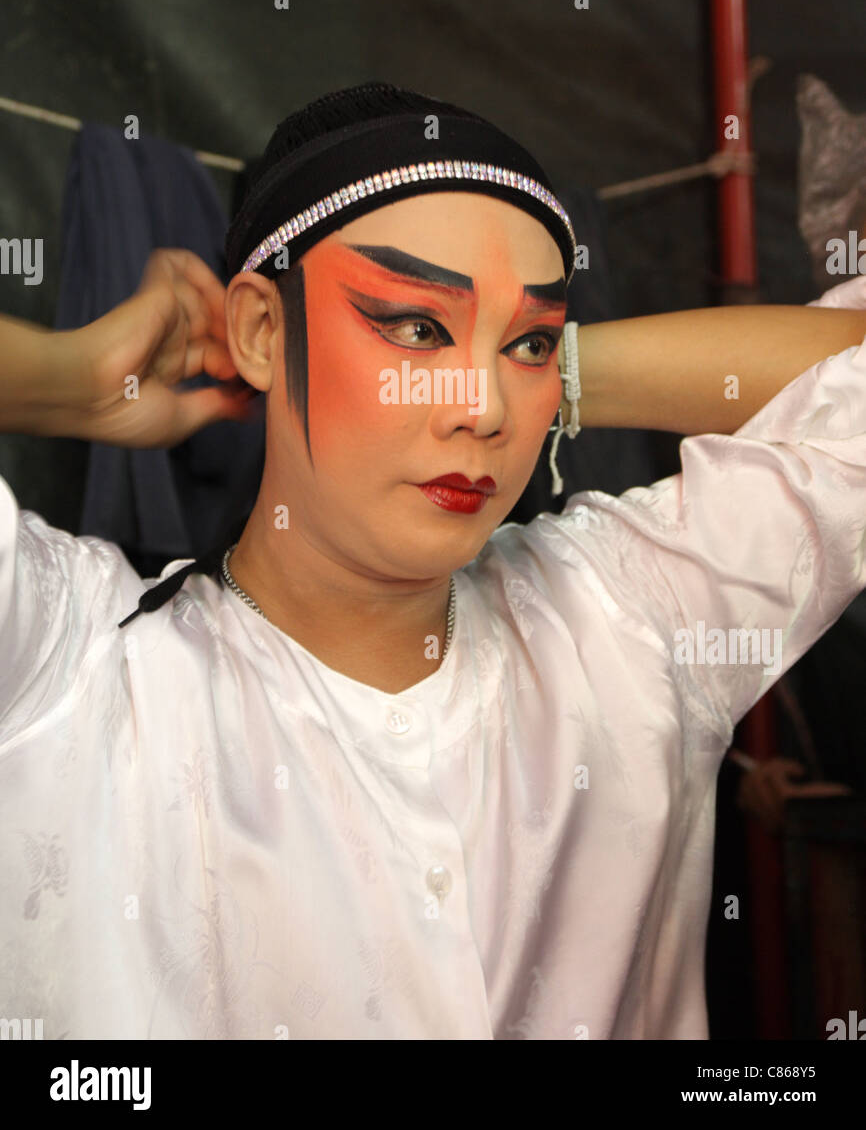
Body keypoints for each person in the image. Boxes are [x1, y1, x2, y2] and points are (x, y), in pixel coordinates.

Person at [2, 80, 866, 1040]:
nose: (484, 410)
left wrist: (550, 372)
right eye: (415, 326)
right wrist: (72, 379)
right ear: (259, 328)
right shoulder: (66, 665)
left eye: (534, 340)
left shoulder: (625, 617)